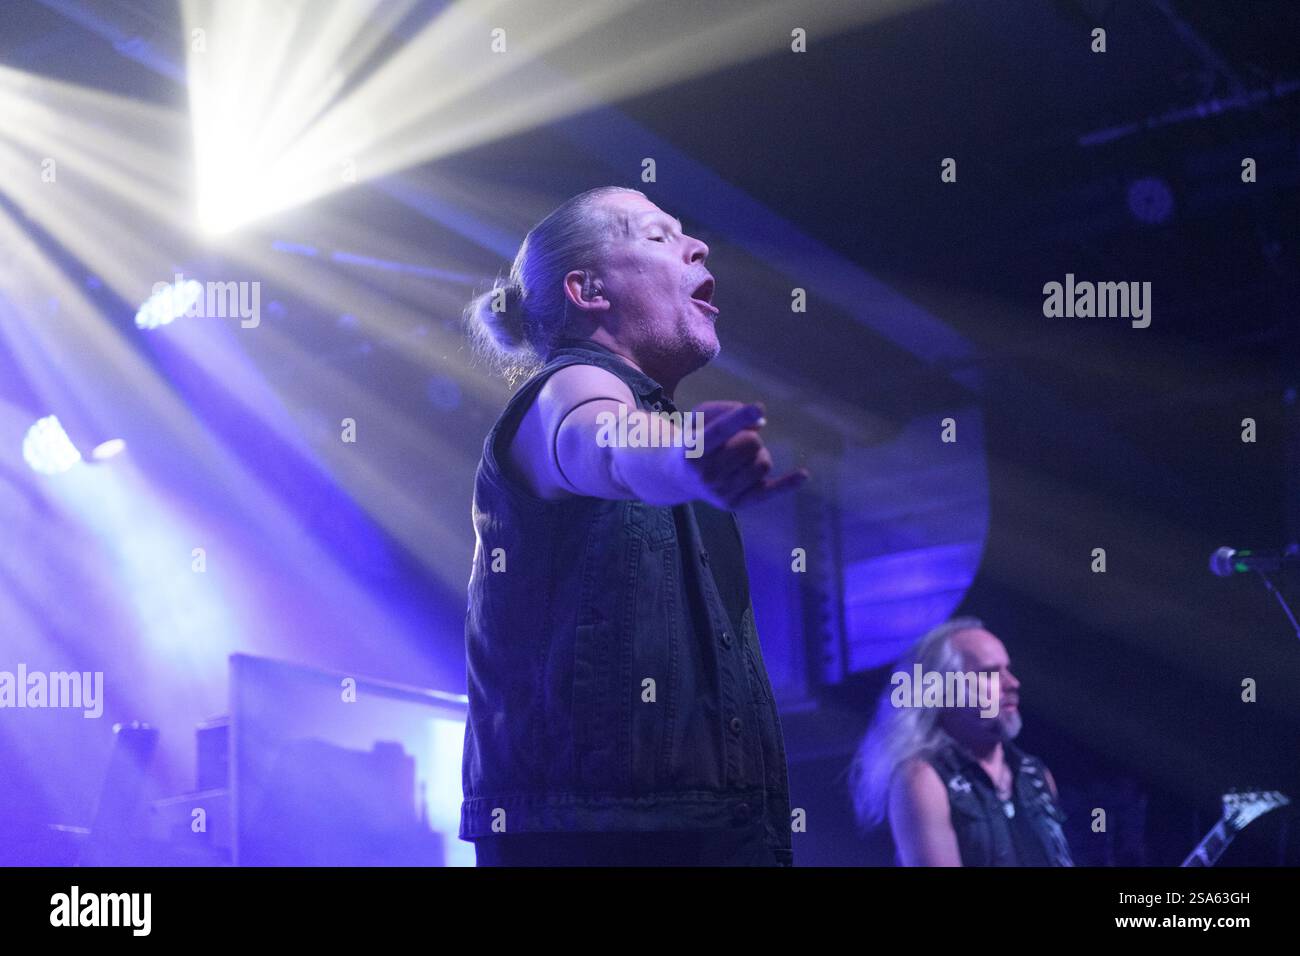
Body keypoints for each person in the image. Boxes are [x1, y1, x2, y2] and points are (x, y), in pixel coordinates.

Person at [459, 185, 809, 865]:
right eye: (657, 235)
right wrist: (681, 458)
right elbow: (606, 444)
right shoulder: (563, 390)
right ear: (589, 289)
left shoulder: (665, 428)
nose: (697, 245)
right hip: (600, 839)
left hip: (717, 829)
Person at [848, 617, 1074, 866]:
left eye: (1007, 670)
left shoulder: (1035, 774)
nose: (1012, 683)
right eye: (989, 673)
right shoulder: (923, 779)